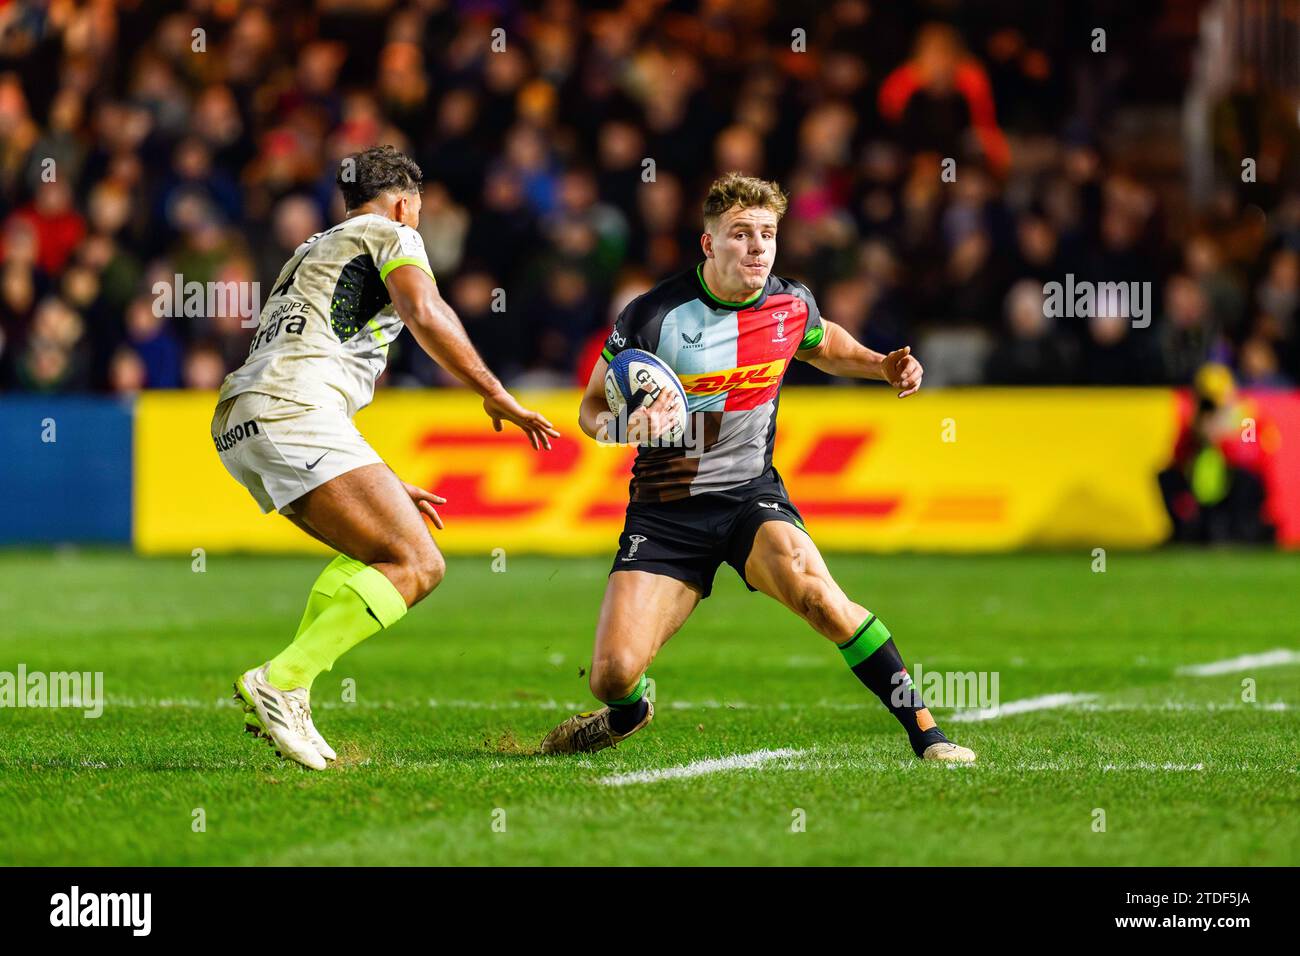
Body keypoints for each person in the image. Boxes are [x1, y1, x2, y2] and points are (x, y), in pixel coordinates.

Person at [540, 173, 975, 762]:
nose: (756, 247)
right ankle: (629, 709)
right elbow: (592, 407)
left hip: (749, 497)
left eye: (767, 234)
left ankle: (928, 734)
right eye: (740, 234)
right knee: (612, 674)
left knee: (820, 597)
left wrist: (882, 365)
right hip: (667, 513)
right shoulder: (653, 315)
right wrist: (621, 429)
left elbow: (824, 345)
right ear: (708, 244)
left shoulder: (790, 303)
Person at [214, 145, 559, 769]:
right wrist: (494, 391)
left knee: (375, 553)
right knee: (418, 563)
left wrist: (388, 480)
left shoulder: (311, 250)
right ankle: (283, 679)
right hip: (294, 409)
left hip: (243, 417)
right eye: (419, 208)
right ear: (404, 202)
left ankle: (292, 690)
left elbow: (310, 359)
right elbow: (424, 310)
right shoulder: (391, 232)